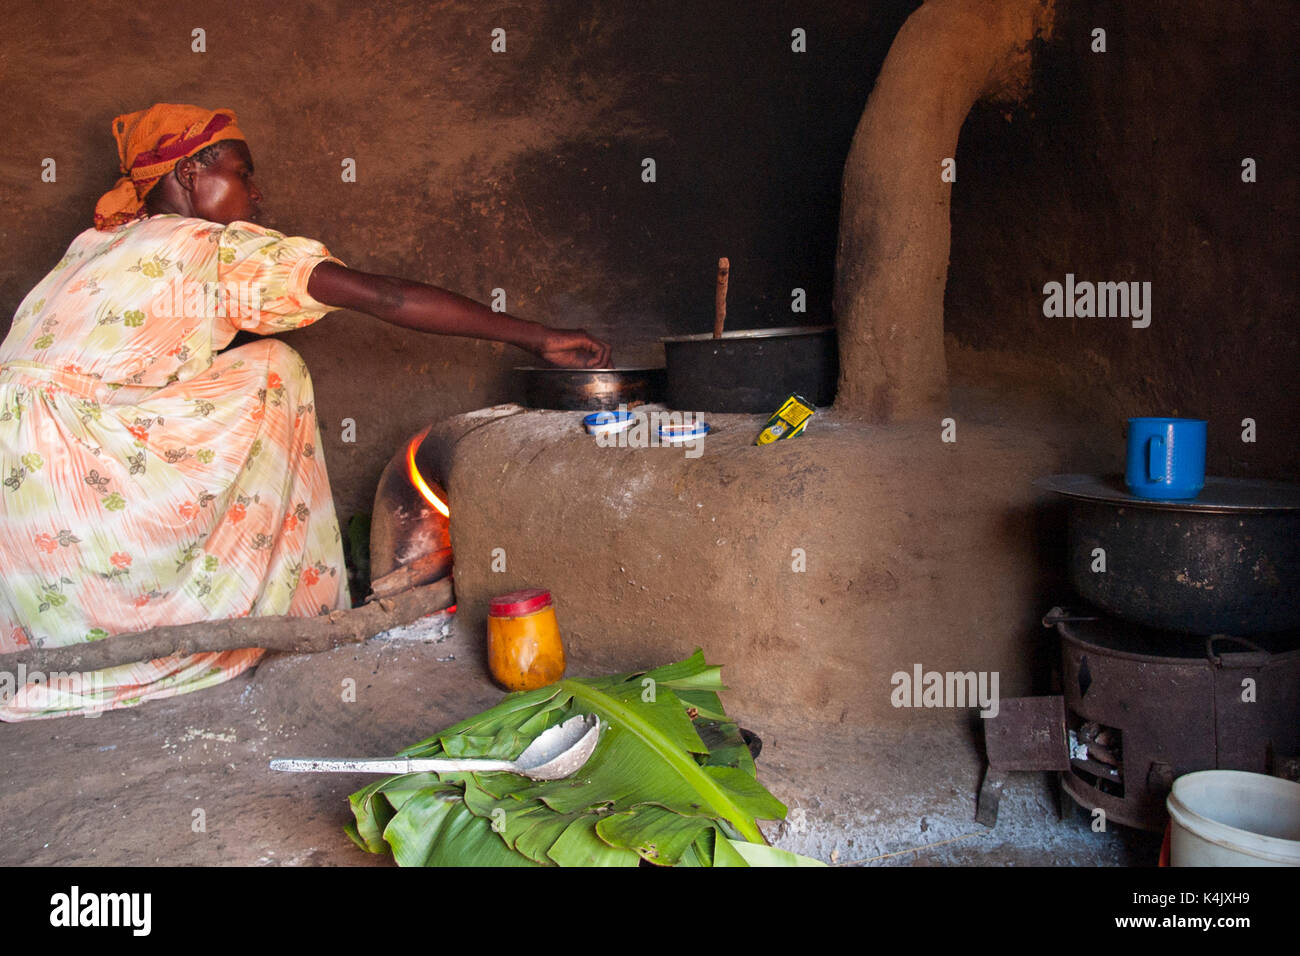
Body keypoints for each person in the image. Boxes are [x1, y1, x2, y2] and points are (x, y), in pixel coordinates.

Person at [0, 104, 611, 721]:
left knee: (235, 366)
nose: (258, 194)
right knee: (274, 368)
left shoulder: (93, 245)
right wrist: (536, 336)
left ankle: (70, 645)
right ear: (188, 173)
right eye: (244, 173)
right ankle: (282, 616)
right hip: (80, 458)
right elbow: (386, 296)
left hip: (21, 482)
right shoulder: (210, 246)